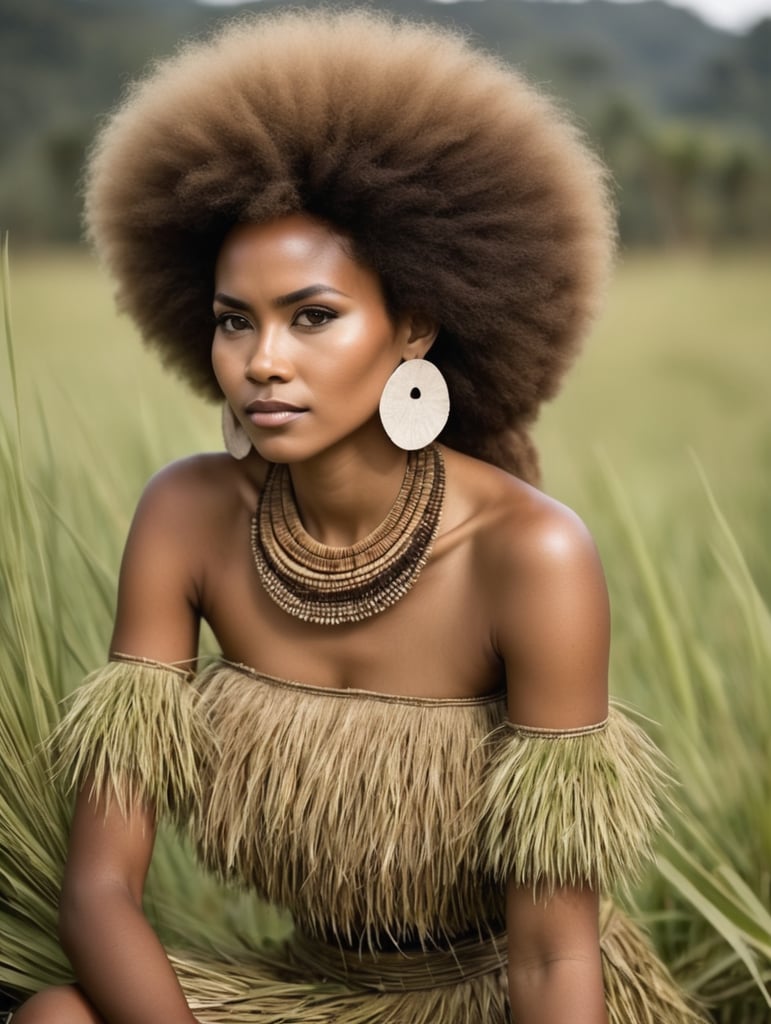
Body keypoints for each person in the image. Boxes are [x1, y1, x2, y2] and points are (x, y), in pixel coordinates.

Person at [6, 8, 706, 1024]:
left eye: (313, 315)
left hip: (496, 997)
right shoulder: (188, 515)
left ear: (413, 322)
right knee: (54, 1018)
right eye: (233, 321)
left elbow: (555, 957)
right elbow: (99, 891)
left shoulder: (529, 553)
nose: (264, 362)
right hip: (310, 990)